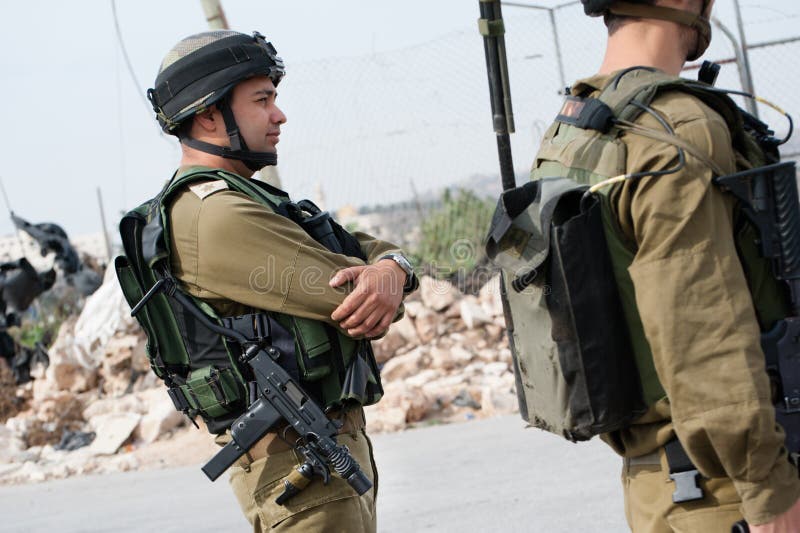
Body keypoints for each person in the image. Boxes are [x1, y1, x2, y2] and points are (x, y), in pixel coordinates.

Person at [528, 1, 800, 530]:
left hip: (661, 483)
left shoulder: (578, 129)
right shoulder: (675, 124)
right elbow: (700, 331)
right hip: (728, 492)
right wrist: (768, 487)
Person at [143, 30, 418, 532]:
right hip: (298, 464)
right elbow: (355, 293)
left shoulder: (249, 197)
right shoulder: (217, 215)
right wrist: (384, 277)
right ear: (208, 114)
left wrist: (392, 267)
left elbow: (364, 250)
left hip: (319, 450)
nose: (279, 115)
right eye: (262, 100)